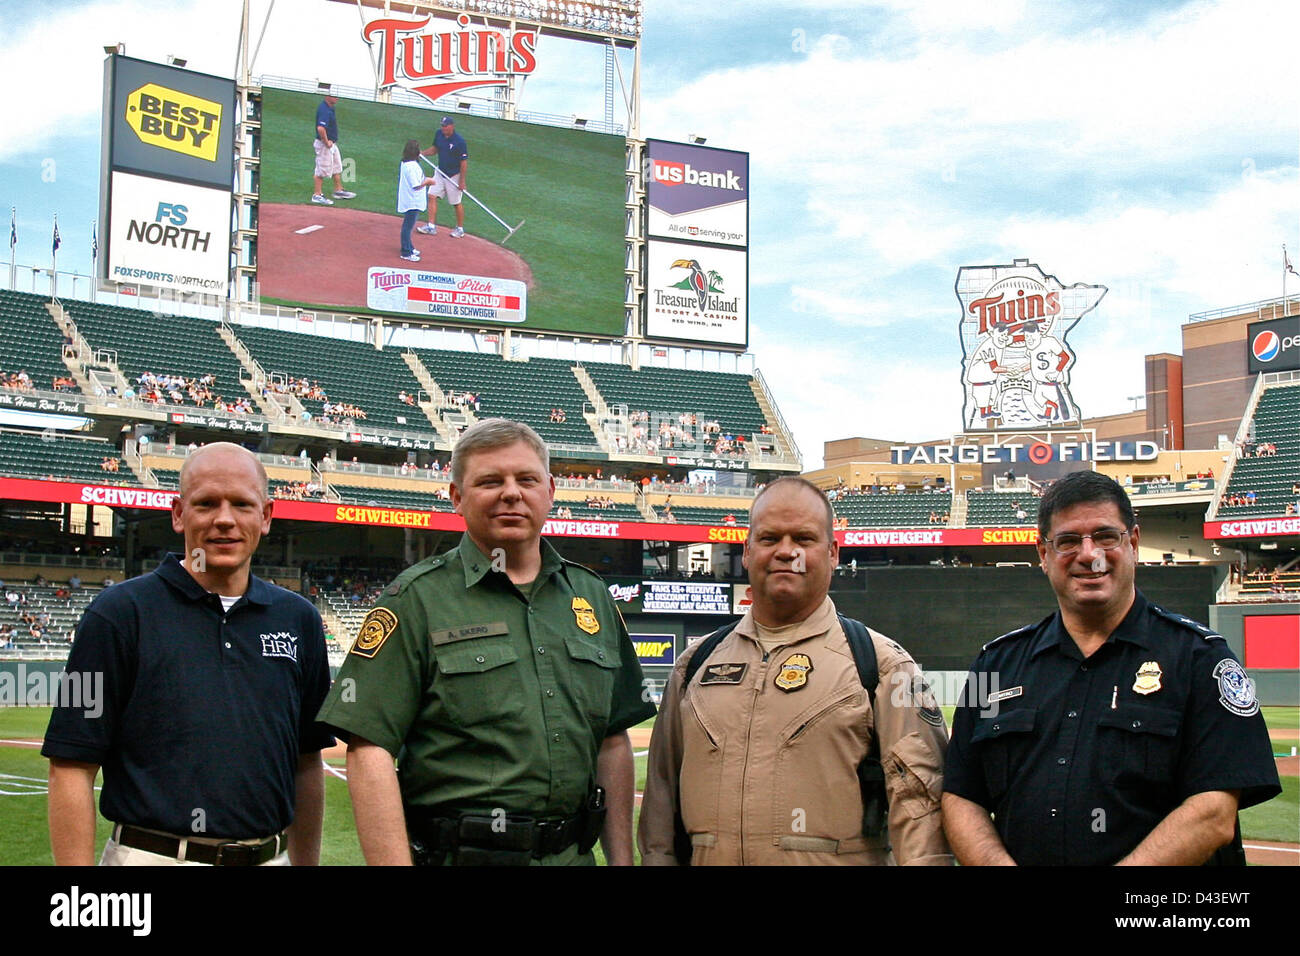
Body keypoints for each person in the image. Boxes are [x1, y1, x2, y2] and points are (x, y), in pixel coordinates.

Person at [317, 419, 656, 865]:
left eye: (526, 479)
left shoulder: (591, 597)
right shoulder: (415, 599)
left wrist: (621, 863)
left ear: (550, 490)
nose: (511, 493)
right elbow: (369, 749)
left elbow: (613, 740)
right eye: (490, 481)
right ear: (457, 497)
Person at [942, 470, 1280, 866]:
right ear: (1043, 554)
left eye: (1105, 536)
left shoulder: (1200, 659)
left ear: (1133, 543)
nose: (1089, 554)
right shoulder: (995, 665)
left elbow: (1214, 811)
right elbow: (961, 796)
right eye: (1068, 541)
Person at [41, 442, 333, 865]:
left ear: (266, 516)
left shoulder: (300, 619)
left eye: (242, 504)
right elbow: (70, 764)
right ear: (178, 513)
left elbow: (307, 761)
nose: (225, 520)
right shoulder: (116, 614)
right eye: (206, 503)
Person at [638, 477, 952, 865]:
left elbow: (921, 815)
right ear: (748, 552)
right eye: (770, 539)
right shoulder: (694, 667)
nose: (786, 552)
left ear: (833, 552)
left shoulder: (883, 667)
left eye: (803, 539)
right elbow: (660, 810)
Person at [417, 116, 469, 238]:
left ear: (452, 126)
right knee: (431, 195)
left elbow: (463, 162)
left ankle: (460, 228)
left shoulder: (459, 142)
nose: (443, 128)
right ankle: (431, 226)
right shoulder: (439, 134)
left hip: (454, 175)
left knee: (456, 202)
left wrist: (462, 181)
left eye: (445, 126)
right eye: (442, 125)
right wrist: (422, 154)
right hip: (440, 172)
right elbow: (435, 149)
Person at [311, 91, 357, 206]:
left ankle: (338, 190)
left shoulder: (331, 107)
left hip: (331, 144)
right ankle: (317, 195)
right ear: (327, 96)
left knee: (336, 167)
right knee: (322, 170)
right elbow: (321, 128)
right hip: (324, 145)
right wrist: (326, 142)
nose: (337, 97)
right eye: (334, 95)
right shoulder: (324, 109)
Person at [396, 139, 436, 262]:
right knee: (408, 226)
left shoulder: (406, 163)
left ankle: (409, 247)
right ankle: (406, 252)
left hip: (410, 199)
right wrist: (428, 181)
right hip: (412, 200)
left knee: (409, 225)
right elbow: (416, 185)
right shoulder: (411, 166)